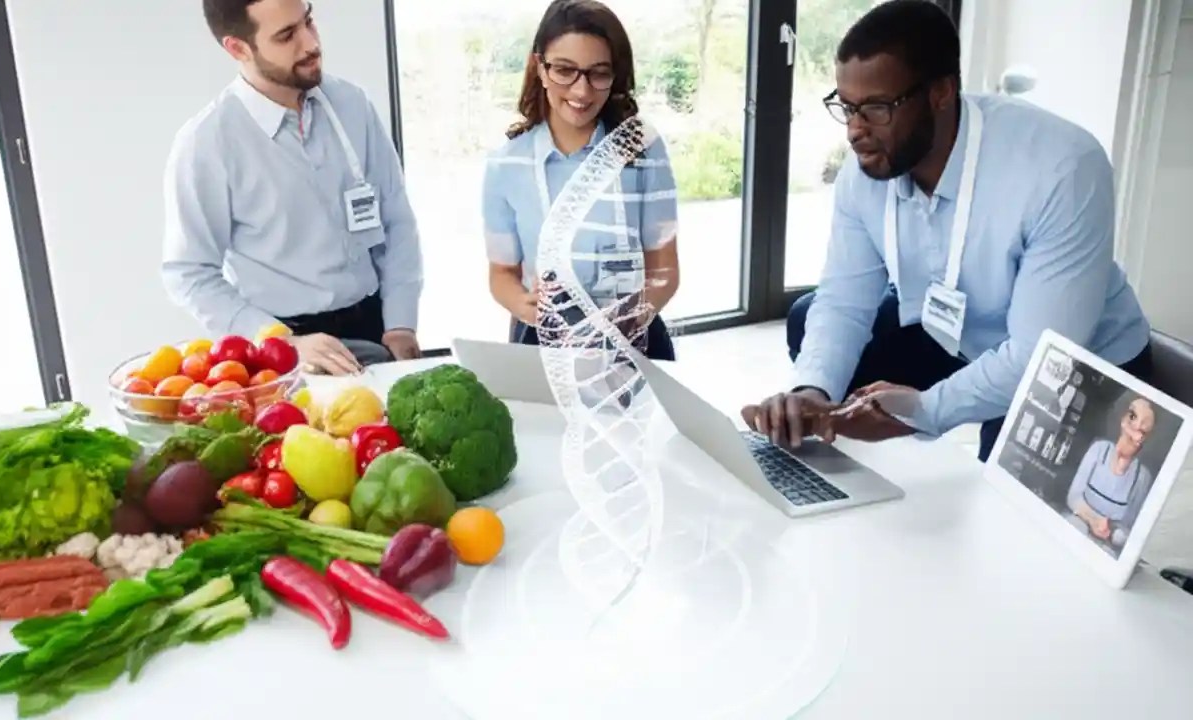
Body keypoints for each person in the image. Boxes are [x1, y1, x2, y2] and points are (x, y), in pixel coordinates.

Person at [741, 0, 1152, 461]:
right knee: (808, 317)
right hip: (961, 334)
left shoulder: (1063, 168)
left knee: (1003, 507)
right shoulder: (865, 172)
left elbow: (1042, 357)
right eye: (847, 106)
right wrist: (812, 392)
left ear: (941, 92)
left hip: (1072, 367)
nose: (855, 131)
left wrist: (923, 410)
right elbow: (842, 301)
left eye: (876, 108)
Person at [162, 0, 424, 375]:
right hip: (284, 344)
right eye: (286, 35)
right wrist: (282, 343)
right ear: (238, 48)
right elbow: (189, 273)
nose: (310, 43)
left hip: (375, 326)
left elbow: (396, 219)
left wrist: (400, 322)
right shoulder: (207, 143)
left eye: (308, 22)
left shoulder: (352, 105)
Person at [481, 0, 681, 360]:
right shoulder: (507, 164)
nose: (581, 91)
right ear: (538, 67)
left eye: (598, 73)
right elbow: (502, 274)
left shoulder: (643, 151)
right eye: (565, 70)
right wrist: (528, 306)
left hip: (634, 340)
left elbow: (665, 270)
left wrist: (628, 320)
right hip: (545, 345)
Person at [1066, 396, 1157, 549]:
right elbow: (1073, 497)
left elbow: (1128, 528)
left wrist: (1112, 531)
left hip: (1106, 544)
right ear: (1123, 420)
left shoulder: (1142, 477)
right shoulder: (1099, 449)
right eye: (1132, 418)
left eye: (1143, 430)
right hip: (1078, 524)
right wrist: (1093, 520)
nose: (1135, 430)